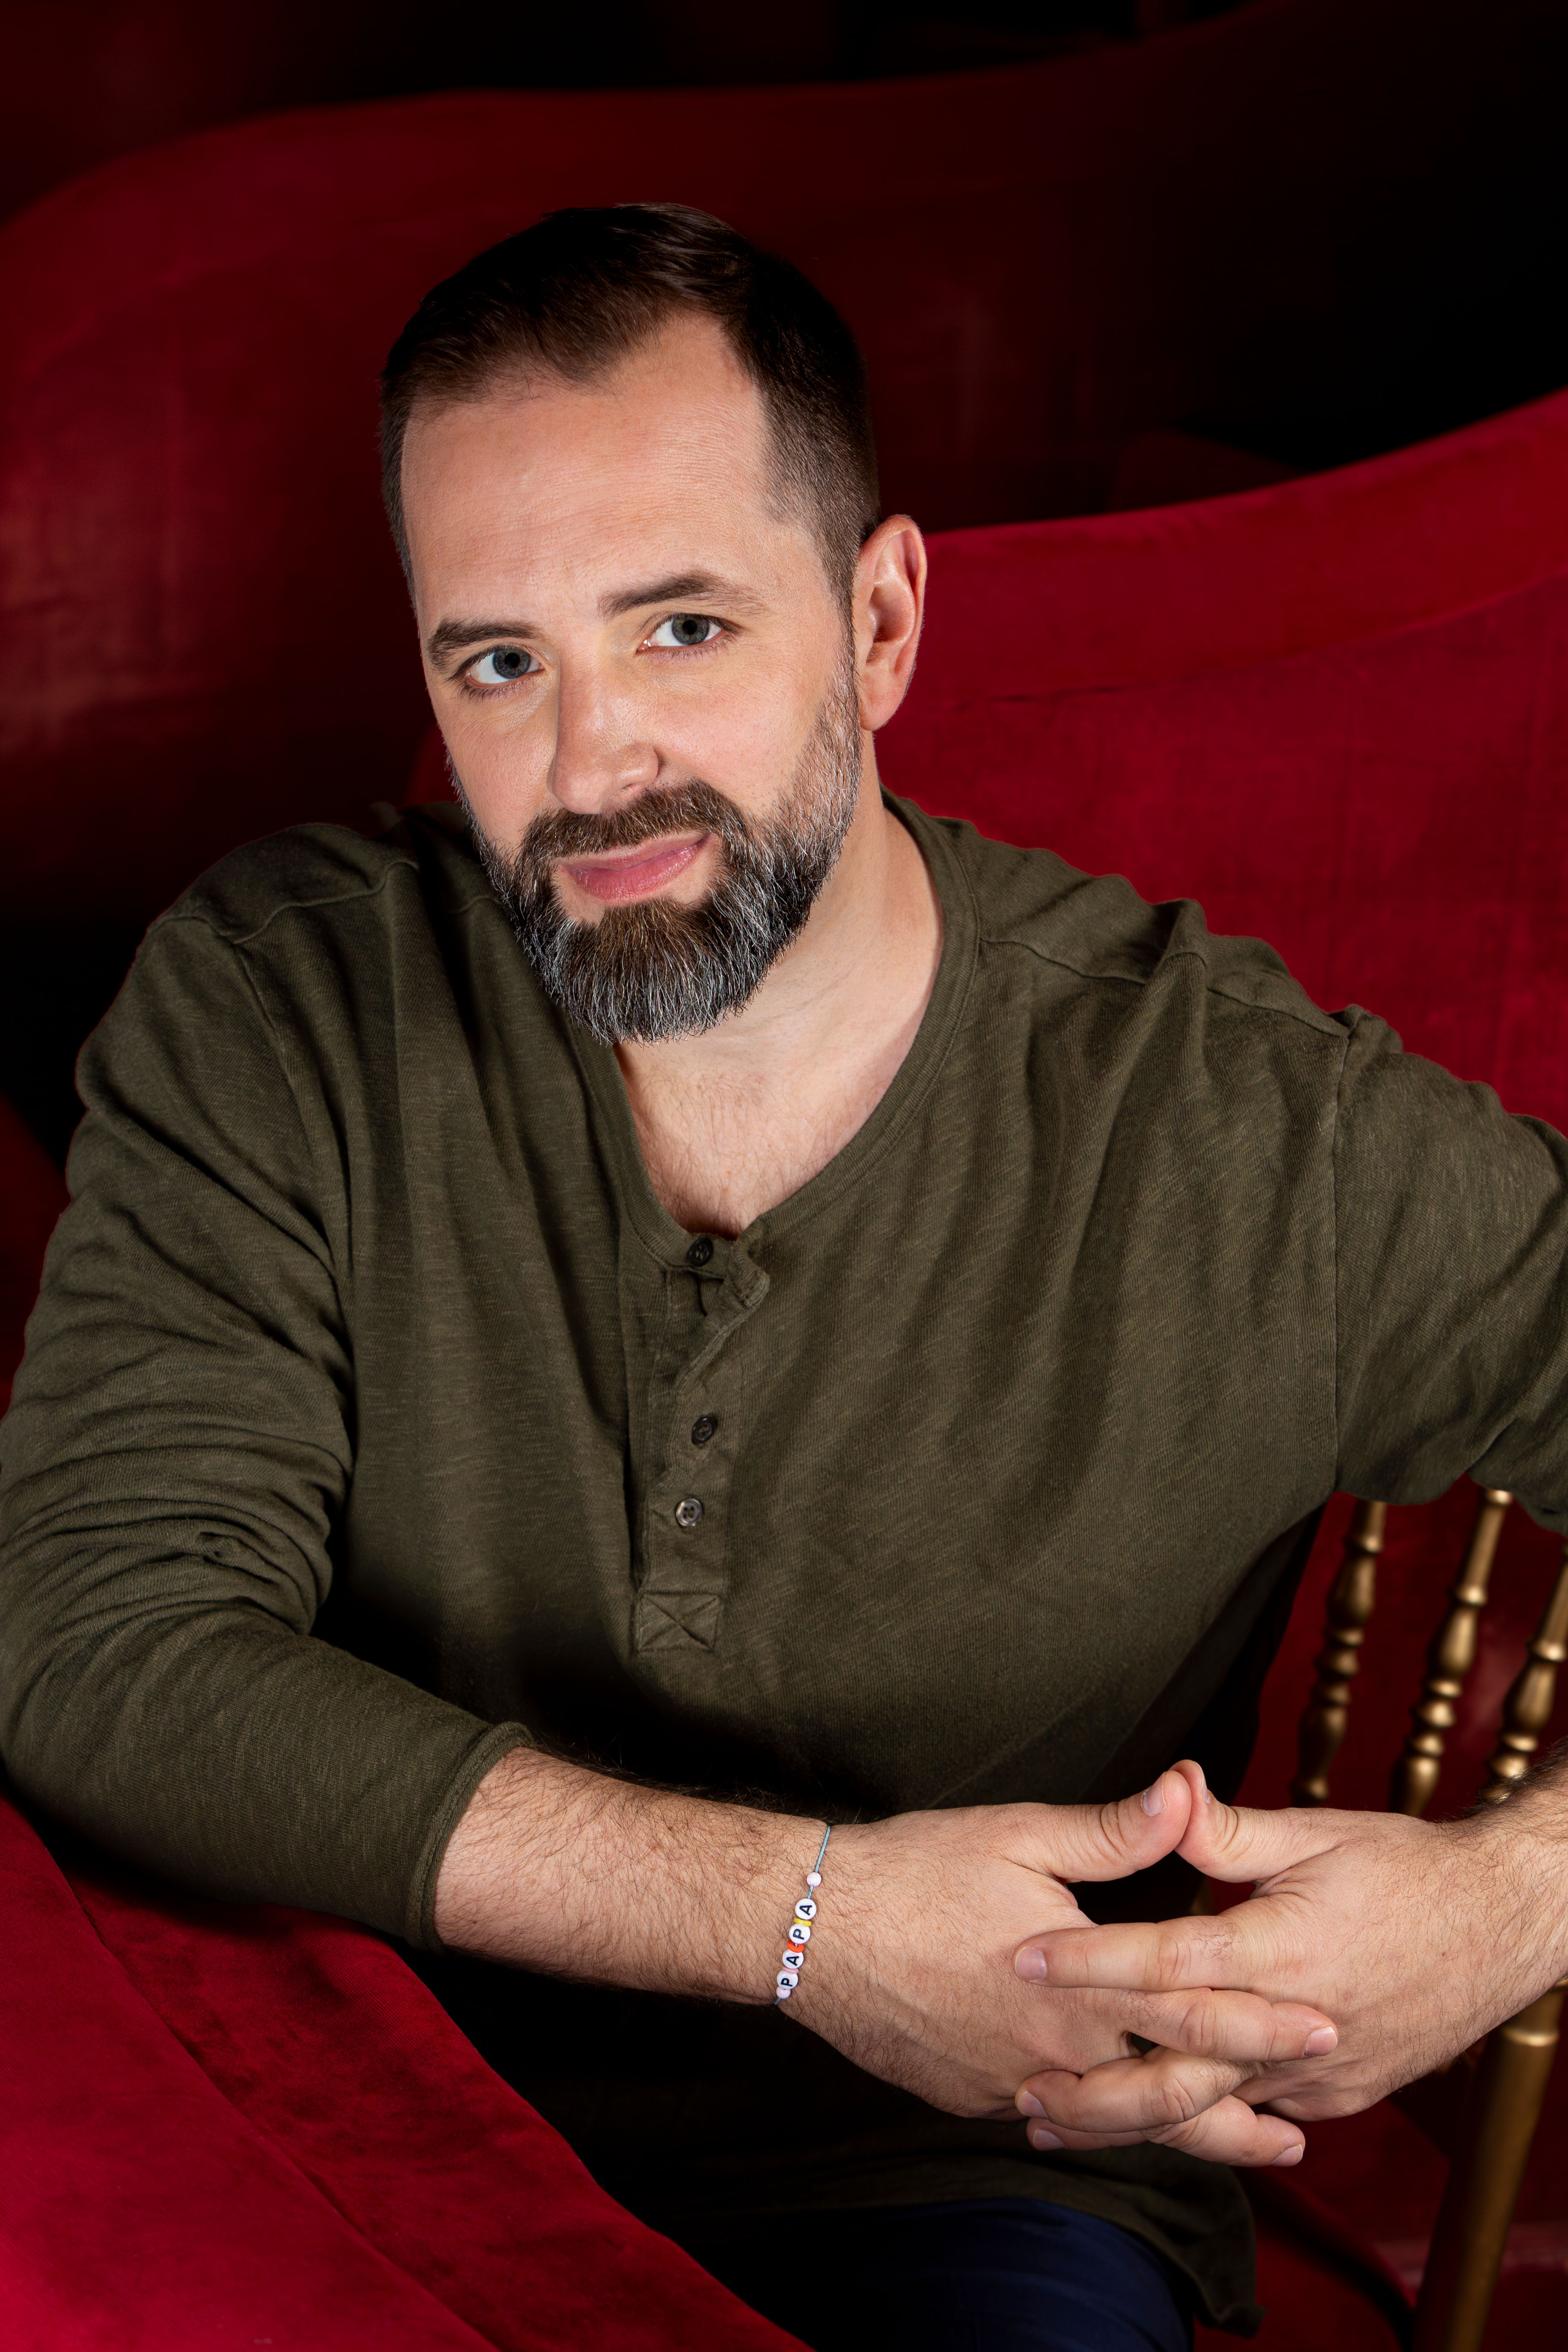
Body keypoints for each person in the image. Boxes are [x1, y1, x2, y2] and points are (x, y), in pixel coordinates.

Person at [3, 204, 1567, 2352]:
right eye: (498, 661)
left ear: (880, 618)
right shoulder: (283, 1000)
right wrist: (799, 1916)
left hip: (973, 2168)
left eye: (680, 628)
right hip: (354, 2059)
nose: (589, 767)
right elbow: (102, 1647)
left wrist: (1512, 1900)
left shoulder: (1258, 1132)